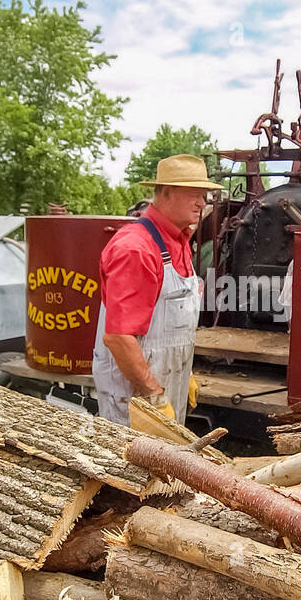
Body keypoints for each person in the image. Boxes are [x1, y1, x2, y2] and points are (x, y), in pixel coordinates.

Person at [92, 155, 222, 426]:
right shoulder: (136, 249)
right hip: (134, 398)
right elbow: (118, 337)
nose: (202, 203)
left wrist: (183, 374)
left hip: (163, 384)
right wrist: (154, 396)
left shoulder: (180, 240)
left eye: (205, 195)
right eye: (194, 195)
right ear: (166, 192)